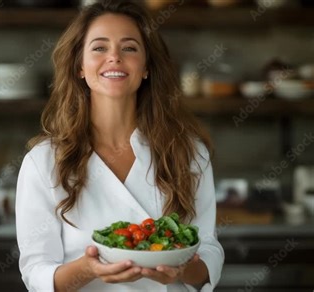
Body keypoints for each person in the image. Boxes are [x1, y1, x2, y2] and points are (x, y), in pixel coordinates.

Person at [15, 1, 224, 291]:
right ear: (79, 67)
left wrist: (180, 269)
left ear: (147, 66)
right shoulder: (44, 162)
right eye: (99, 48)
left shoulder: (187, 152)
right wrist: (88, 269)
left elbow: (209, 255)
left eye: (129, 48)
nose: (114, 57)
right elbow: (37, 274)